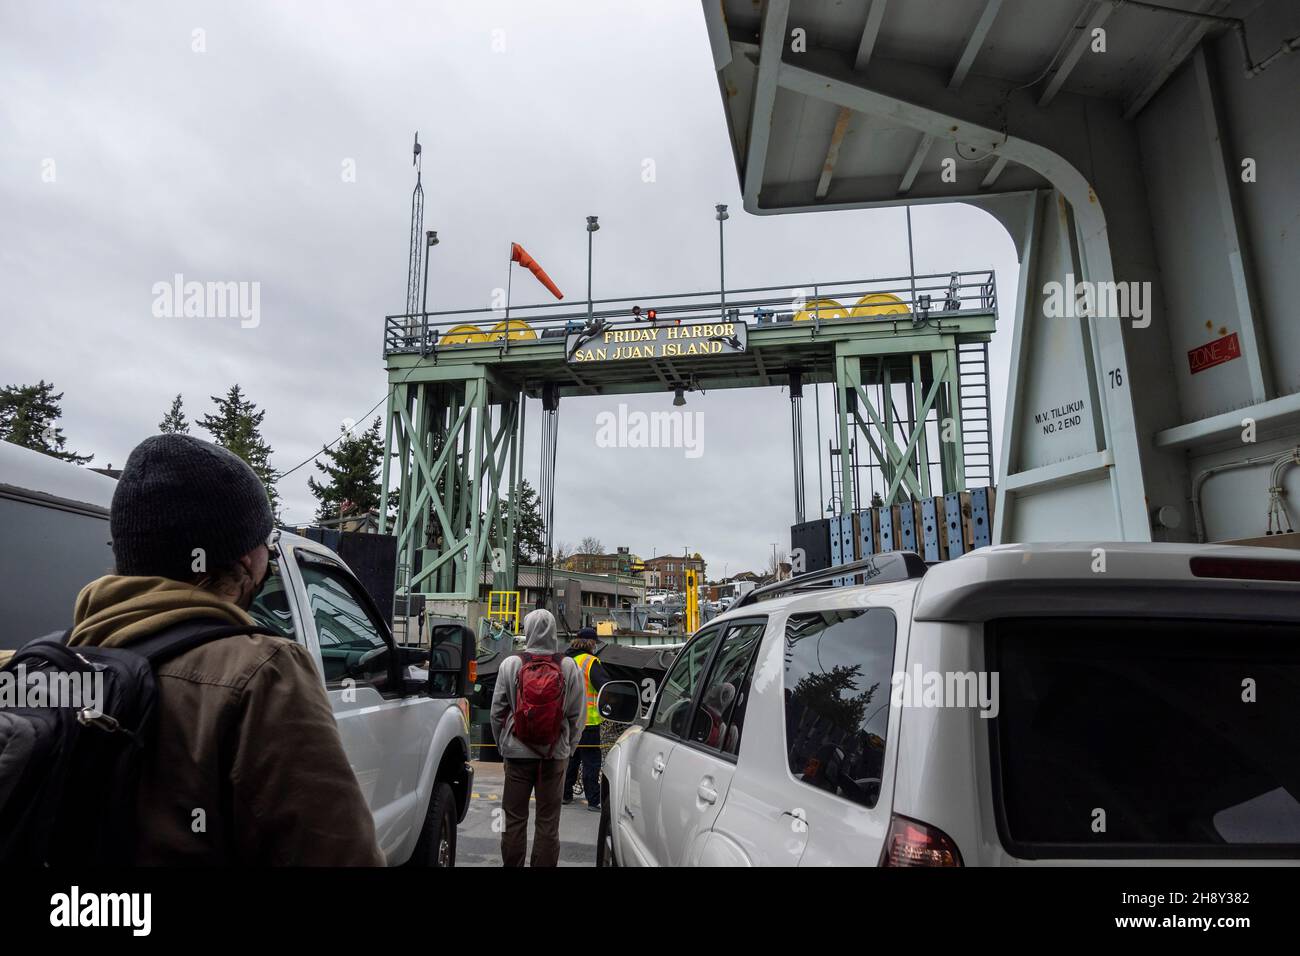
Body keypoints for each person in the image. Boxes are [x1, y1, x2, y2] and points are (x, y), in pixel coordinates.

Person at [66, 433, 385, 865]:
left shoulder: (46, 665)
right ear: (246, 560)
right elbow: (339, 854)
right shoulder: (264, 672)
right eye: (266, 544)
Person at [490, 608, 586, 866]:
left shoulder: (510, 664)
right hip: (554, 755)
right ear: (554, 632)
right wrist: (568, 747)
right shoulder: (568, 666)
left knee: (513, 819)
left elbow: (497, 712)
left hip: (516, 754)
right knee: (547, 822)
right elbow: (578, 716)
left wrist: (504, 745)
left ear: (528, 629)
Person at [563, 627, 612, 811]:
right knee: (591, 762)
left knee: (571, 759)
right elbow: (605, 687)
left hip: (568, 722)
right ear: (591, 643)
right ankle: (593, 800)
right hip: (588, 722)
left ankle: (565, 794)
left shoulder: (565, 660)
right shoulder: (591, 662)